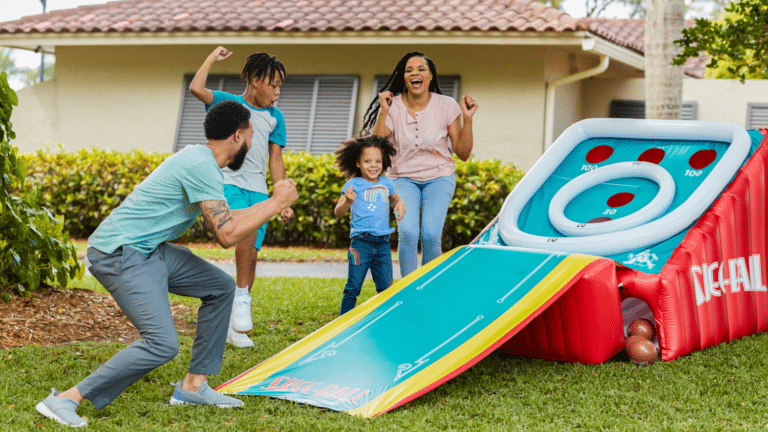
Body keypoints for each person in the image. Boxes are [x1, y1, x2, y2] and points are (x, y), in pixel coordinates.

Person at [35, 101, 299, 428]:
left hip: (149, 250)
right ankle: (65, 399)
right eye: (251, 136)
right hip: (120, 251)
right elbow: (227, 235)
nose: (251, 143)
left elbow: (228, 218)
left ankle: (193, 387)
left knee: (220, 287)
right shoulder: (200, 164)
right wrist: (275, 203)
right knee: (162, 344)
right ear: (237, 136)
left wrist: (270, 205)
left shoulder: (201, 162)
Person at [190, 46, 294, 348]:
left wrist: (280, 195)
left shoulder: (276, 117)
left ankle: (235, 321)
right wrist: (210, 58)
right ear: (255, 80)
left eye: (279, 87)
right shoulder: (230, 104)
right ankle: (242, 298)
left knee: (252, 255)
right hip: (230, 184)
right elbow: (197, 88)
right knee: (244, 235)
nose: (277, 92)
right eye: (273, 85)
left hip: (258, 189)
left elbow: (275, 160)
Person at [360, 52, 479, 277]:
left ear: (431, 76)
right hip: (402, 177)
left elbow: (463, 153)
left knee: (431, 235)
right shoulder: (393, 105)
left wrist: (468, 118)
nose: (415, 73)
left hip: (439, 177)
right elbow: (375, 145)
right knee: (408, 234)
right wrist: (384, 111)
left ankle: (429, 286)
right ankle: (407, 289)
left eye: (421, 69)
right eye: (409, 70)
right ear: (403, 78)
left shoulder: (446, 105)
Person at [334, 135, 406, 315]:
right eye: (368, 161)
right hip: (361, 243)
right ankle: (342, 323)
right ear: (358, 163)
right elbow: (338, 212)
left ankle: (386, 320)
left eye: (378, 161)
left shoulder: (386, 183)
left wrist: (399, 204)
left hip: (383, 244)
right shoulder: (353, 184)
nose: (373, 165)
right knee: (353, 287)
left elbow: (395, 199)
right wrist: (347, 202)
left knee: (387, 288)